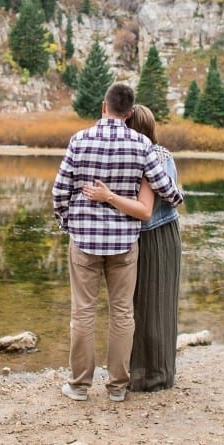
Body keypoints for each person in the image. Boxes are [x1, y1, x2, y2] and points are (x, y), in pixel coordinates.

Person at [52, 84, 184, 403]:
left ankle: (80, 386)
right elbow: (169, 191)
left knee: (83, 312)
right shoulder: (141, 144)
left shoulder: (79, 140)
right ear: (129, 113)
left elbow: (59, 192)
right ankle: (116, 387)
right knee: (123, 313)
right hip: (124, 242)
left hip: (84, 241)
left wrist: (69, 224)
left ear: (103, 106)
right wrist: (174, 196)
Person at [83, 104, 182, 392]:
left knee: (158, 304)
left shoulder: (159, 157)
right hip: (132, 237)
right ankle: (135, 372)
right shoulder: (127, 157)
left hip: (159, 236)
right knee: (133, 307)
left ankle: (157, 374)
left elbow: (168, 199)